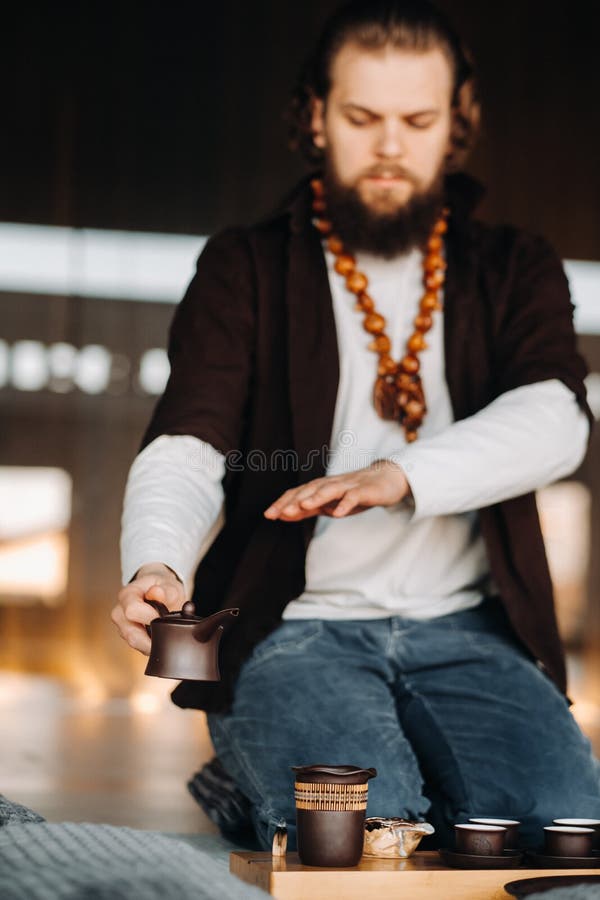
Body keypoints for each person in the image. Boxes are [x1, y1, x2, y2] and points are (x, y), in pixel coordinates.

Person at [111, 0, 600, 851]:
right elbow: (190, 436)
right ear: (315, 116)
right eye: (362, 118)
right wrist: (155, 558)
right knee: (373, 837)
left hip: (471, 628)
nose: (388, 147)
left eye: (417, 120)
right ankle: (255, 766)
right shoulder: (246, 265)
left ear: (458, 123)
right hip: (296, 628)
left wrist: (400, 474)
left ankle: (255, 779)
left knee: (559, 835)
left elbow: (556, 416)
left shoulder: (513, 265)